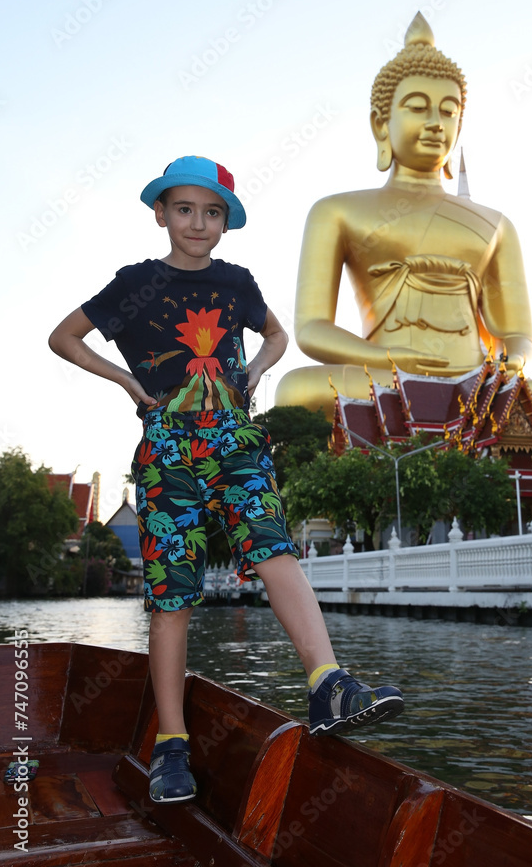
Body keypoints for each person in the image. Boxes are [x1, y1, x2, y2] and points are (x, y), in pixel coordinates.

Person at [49, 155, 403, 804]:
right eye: (184, 209)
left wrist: (258, 371)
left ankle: (326, 683)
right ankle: (171, 744)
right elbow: (63, 337)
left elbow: (276, 335)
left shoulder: (236, 282)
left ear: (224, 222)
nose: (197, 222)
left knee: (274, 549)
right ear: (161, 214)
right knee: (172, 594)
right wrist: (126, 380)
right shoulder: (135, 283)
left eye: (211, 212)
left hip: (236, 437)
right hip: (168, 446)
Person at [275, 13, 532, 431]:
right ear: (381, 125)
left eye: (449, 111)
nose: (436, 123)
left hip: (481, 385)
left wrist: (513, 360)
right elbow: (312, 329)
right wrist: (389, 358)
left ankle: (483, 412)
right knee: (299, 390)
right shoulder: (336, 211)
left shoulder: (495, 224)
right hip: (388, 378)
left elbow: (517, 334)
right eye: (417, 108)